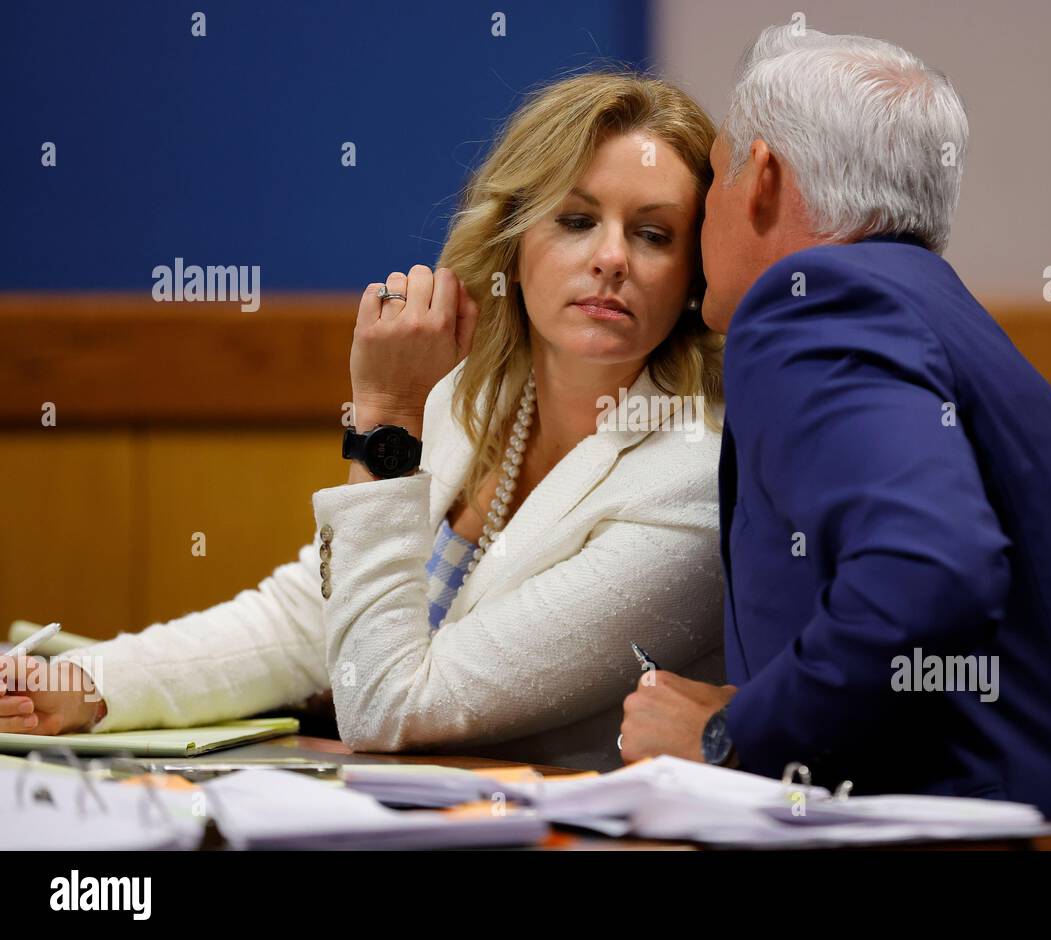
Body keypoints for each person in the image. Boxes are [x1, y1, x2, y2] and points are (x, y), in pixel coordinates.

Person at [1, 72, 726, 772]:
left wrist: (383, 420)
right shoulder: (469, 396)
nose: (610, 259)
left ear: (693, 275)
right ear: (513, 238)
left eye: (653, 235)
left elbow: (391, 709)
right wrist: (86, 685)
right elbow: (307, 620)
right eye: (576, 220)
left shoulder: (693, 476)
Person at [617, 25, 1051, 849]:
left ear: (760, 182)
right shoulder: (922, 305)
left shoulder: (809, 303)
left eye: (714, 175)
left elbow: (931, 568)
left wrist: (731, 738)